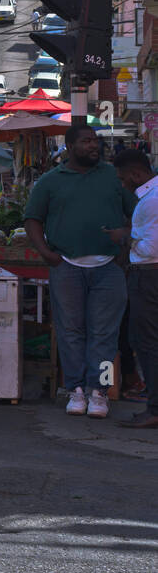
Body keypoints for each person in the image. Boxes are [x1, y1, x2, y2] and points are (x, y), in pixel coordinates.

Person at [24, 124, 131, 419]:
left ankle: (100, 392)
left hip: (109, 268)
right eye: (86, 141)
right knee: (70, 331)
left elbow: (139, 211)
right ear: (70, 147)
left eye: (95, 141)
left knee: (105, 333)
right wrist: (45, 253)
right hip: (66, 267)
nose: (93, 146)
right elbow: (32, 219)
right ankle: (76, 390)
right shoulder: (51, 181)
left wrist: (125, 238)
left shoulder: (112, 176)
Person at [110, 149, 158, 427]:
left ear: (135, 175)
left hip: (148, 276)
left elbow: (150, 248)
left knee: (147, 343)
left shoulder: (149, 202)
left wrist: (123, 237)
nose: (122, 184)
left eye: (123, 178)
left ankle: (154, 408)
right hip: (147, 275)